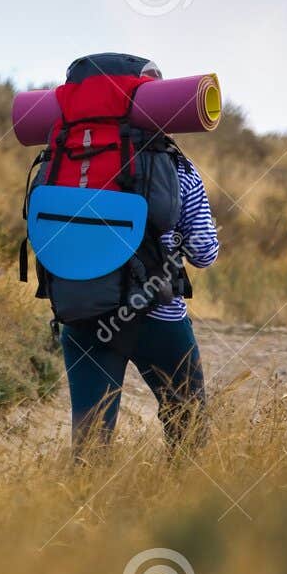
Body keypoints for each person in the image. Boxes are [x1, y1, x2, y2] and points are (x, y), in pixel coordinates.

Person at [59, 142, 219, 454]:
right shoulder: (178, 169)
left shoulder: (66, 159)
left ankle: (81, 501)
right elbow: (203, 253)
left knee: (90, 439)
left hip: (82, 311)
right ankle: (185, 500)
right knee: (189, 426)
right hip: (158, 317)